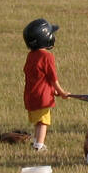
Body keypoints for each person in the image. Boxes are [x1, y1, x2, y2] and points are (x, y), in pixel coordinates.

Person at [23, 18, 69, 152]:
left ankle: (36, 142)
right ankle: (39, 145)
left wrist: (51, 90)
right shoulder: (47, 56)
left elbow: (38, 77)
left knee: (39, 121)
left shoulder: (31, 56)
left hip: (31, 95)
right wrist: (61, 92)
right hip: (42, 97)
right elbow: (52, 78)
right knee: (44, 122)